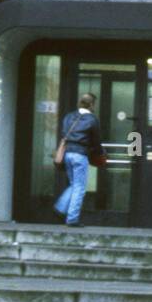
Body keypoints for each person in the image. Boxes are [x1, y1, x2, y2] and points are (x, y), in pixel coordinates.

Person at [53, 93, 101, 228]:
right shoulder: (92, 119)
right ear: (91, 104)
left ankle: (61, 207)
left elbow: (64, 133)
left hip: (67, 154)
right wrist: (99, 154)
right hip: (80, 155)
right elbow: (96, 140)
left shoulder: (69, 117)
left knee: (74, 184)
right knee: (80, 187)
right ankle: (72, 219)